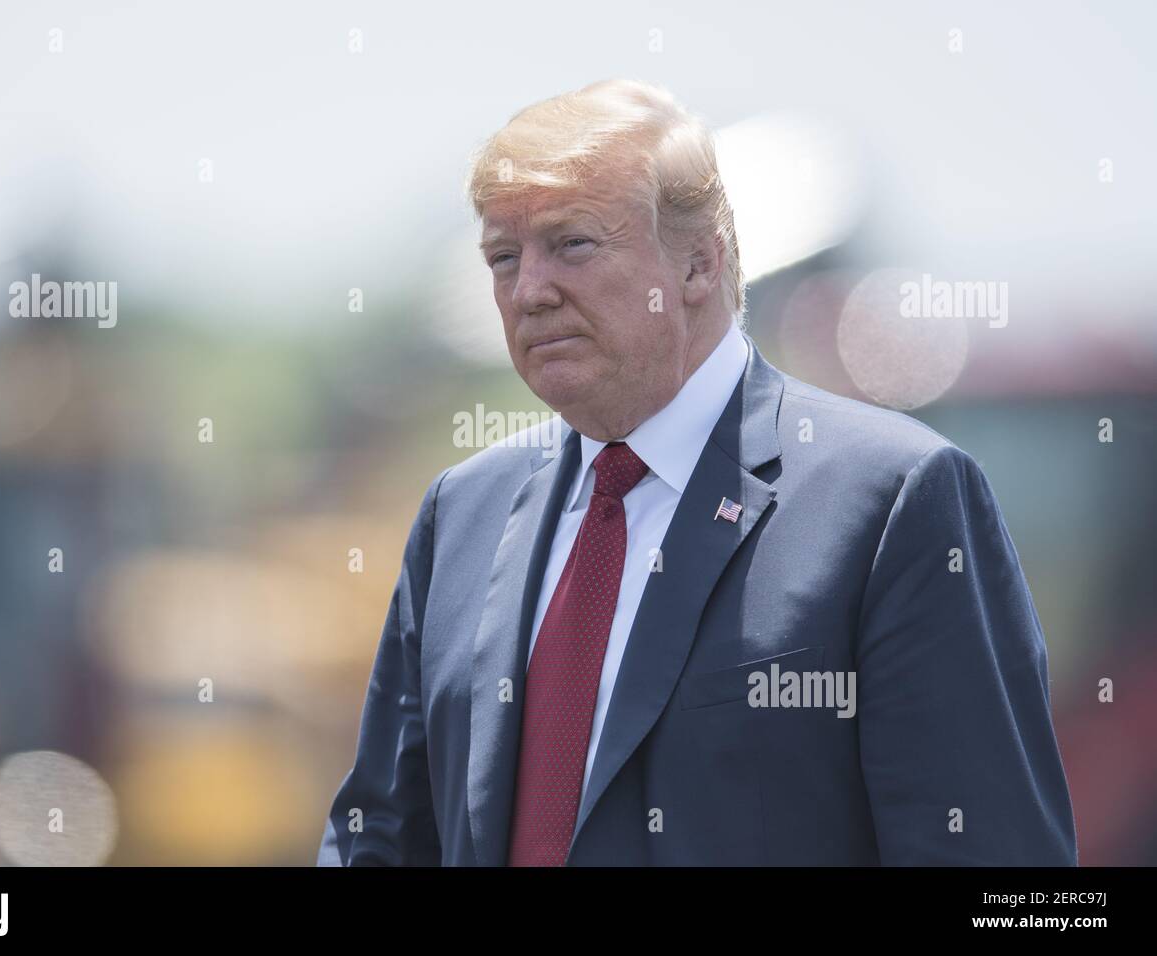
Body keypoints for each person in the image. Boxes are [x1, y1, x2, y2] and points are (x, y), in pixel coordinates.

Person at [317, 79, 1077, 866]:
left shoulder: (893, 501)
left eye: (572, 243)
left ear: (698, 265)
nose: (529, 291)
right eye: (503, 258)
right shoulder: (462, 511)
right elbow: (380, 835)